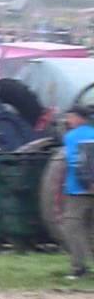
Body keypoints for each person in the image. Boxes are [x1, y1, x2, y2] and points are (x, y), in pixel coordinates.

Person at [61, 105, 94, 279]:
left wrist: (88, 182)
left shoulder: (72, 136)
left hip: (78, 190)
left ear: (80, 118)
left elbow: (75, 161)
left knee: (71, 227)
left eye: (70, 117)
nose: (68, 121)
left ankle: (79, 268)